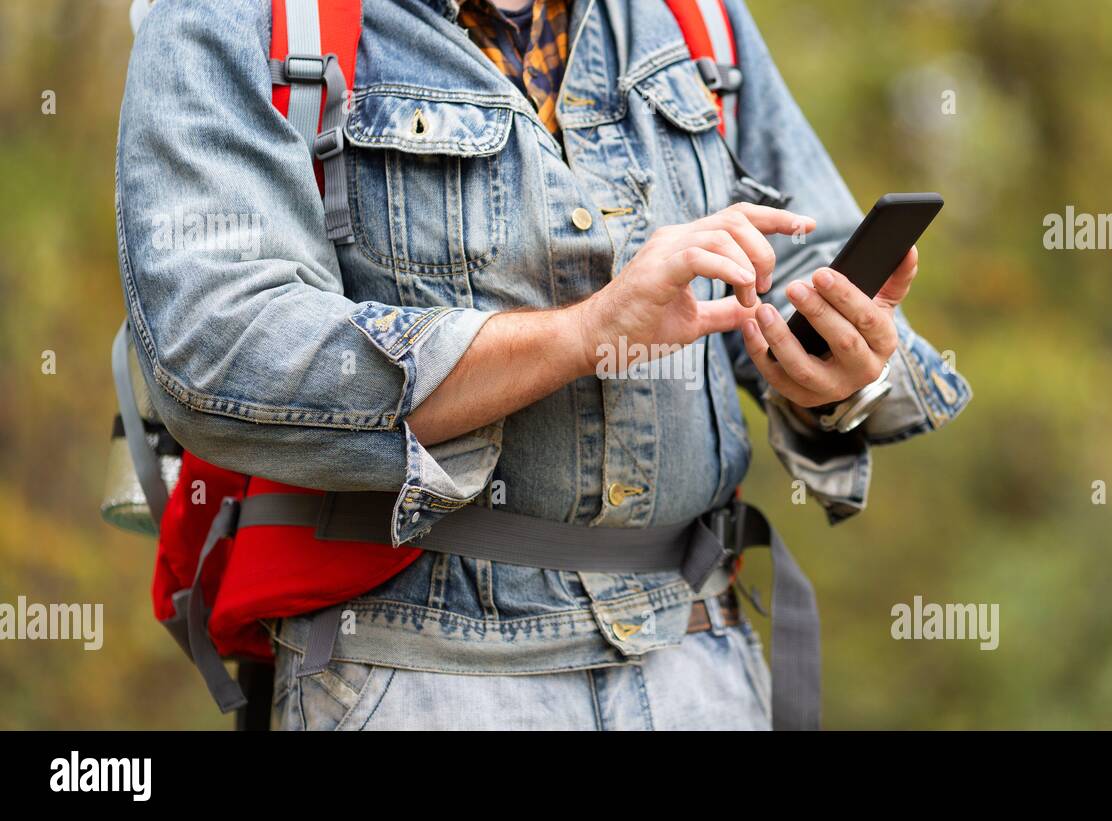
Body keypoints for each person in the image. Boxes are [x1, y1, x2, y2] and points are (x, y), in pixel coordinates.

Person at [116, 0, 971, 730]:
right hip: (414, 676)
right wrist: (585, 332)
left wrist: (839, 367)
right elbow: (218, 348)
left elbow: (800, 246)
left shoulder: (692, 16)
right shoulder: (249, 17)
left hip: (700, 660)